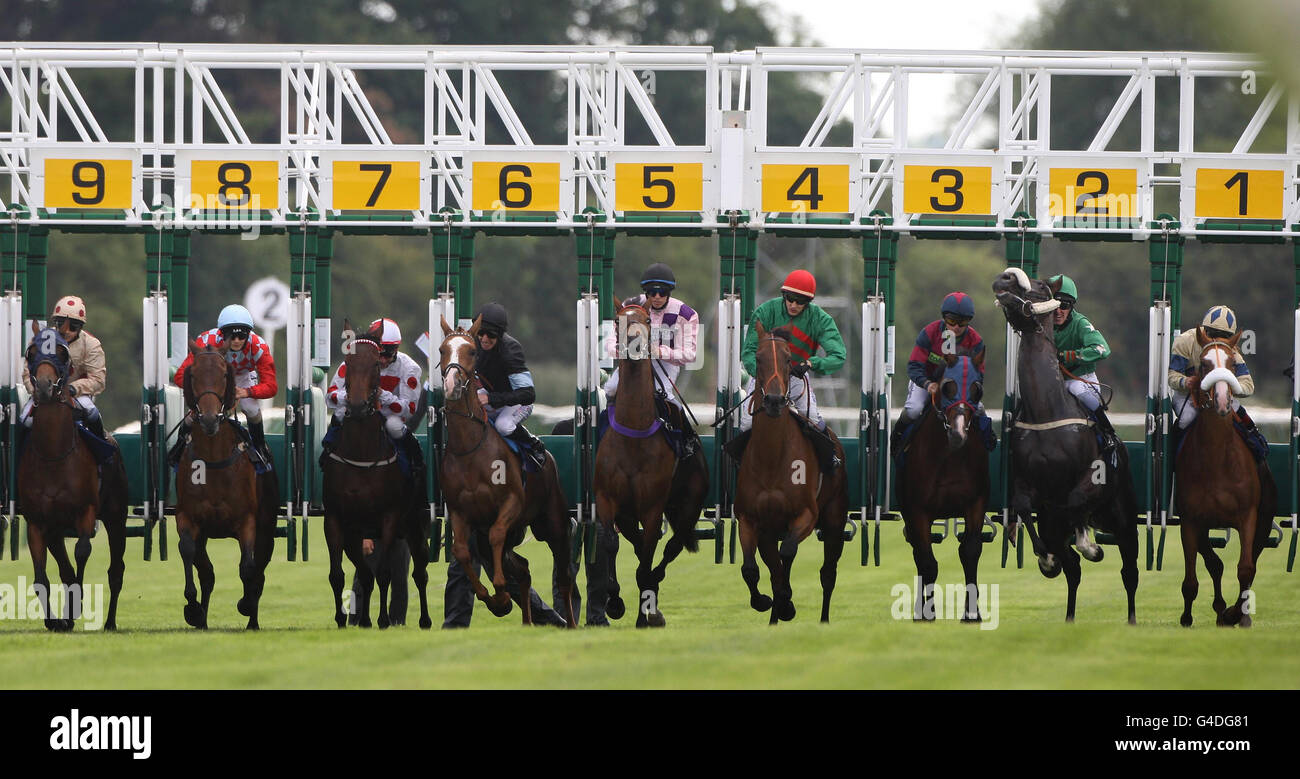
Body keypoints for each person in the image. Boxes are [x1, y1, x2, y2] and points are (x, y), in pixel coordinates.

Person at [323, 317, 425, 626]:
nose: (382, 358)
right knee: (337, 426)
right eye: (380, 351)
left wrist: (379, 398)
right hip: (356, 414)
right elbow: (330, 396)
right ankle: (326, 470)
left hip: (386, 419)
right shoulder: (355, 358)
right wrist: (355, 398)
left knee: (395, 427)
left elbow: (408, 409)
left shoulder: (409, 369)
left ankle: (413, 470)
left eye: (388, 352)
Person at [730, 269, 846, 472]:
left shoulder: (820, 319)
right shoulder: (766, 311)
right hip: (764, 377)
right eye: (789, 299)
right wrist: (760, 373)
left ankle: (829, 460)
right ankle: (737, 465)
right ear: (783, 295)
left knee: (812, 417)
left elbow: (838, 356)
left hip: (795, 376)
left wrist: (811, 364)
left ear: (808, 302)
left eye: (800, 301)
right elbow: (748, 351)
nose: (793, 305)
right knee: (747, 423)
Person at [170, 304, 277, 466]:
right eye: (231, 336)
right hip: (213, 379)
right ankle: (179, 447)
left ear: (248, 334)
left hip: (243, 376)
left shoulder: (259, 346)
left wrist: (247, 392)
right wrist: (203, 391)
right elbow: (180, 377)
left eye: (241, 336)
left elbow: (271, 386)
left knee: (251, 409)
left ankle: (260, 447)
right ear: (222, 334)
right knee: (195, 414)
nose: (236, 341)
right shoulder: (206, 342)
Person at [892, 291, 995, 452]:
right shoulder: (929, 333)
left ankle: (989, 442)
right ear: (944, 318)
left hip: (959, 388)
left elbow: (979, 375)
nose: (956, 327)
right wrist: (928, 384)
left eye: (962, 323)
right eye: (951, 321)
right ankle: (897, 439)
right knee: (914, 409)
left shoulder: (976, 341)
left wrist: (967, 389)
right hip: (926, 381)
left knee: (979, 409)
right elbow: (914, 366)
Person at [1167, 305, 1268, 464]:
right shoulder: (1185, 341)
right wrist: (1186, 381)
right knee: (1187, 418)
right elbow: (1172, 375)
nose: (1216, 340)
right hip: (1188, 395)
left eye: (1224, 336)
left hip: (1220, 395)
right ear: (1203, 331)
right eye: (1212, 334)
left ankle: (1259, 454)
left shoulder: (1232, 352)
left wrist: (1233, 386)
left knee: (1241, 416)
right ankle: (1172, 461)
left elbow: (1248, 385)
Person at [603, 262, 700, 413]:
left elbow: (690, 354)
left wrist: (658, 351)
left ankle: (684, 435)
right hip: (632, 360)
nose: (656, 297)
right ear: (645, 292)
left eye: (662, 292)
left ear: (669, 292)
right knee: (611, 388)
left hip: (666, 364)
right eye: (651, 292)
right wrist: (620, 350)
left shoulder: (686, 314)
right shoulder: (630, 304)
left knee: (663, 395)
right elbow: (610, 342)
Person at [21, 295, 110, 443]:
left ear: (81, 327)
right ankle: (12, 461)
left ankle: (104, 454)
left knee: (92, 413)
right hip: (43, 392)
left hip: (77, 395)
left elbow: (98, 381)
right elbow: (27, 371)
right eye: (61, 323)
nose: (66, 330)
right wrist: (35, 390)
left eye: (73, 326)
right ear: (56, 323)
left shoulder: (92, 345)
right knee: (24, 420)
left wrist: (74, 388)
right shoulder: (42, 338)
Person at [1049, 274, 1119, 459]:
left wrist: (1068, 356)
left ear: (1071, 307)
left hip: (1079, 379)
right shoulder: (1042, 324)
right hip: (1053, 382)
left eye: (1064, 306)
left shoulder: (1081, 323)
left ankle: (1108, 435)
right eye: (1054, 305)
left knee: (1077, 389)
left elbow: (1102, 349)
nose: (1058, 311)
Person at [471, 302, 547, 469]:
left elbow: (528, 394)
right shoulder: (473, 344)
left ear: (499, 335)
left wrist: (490, 398)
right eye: (481, 333)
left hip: (518, 403)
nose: (484, 339)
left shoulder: (510, 351)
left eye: (490, 335)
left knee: (503, 426)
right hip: (493, 395)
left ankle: (533, 444)